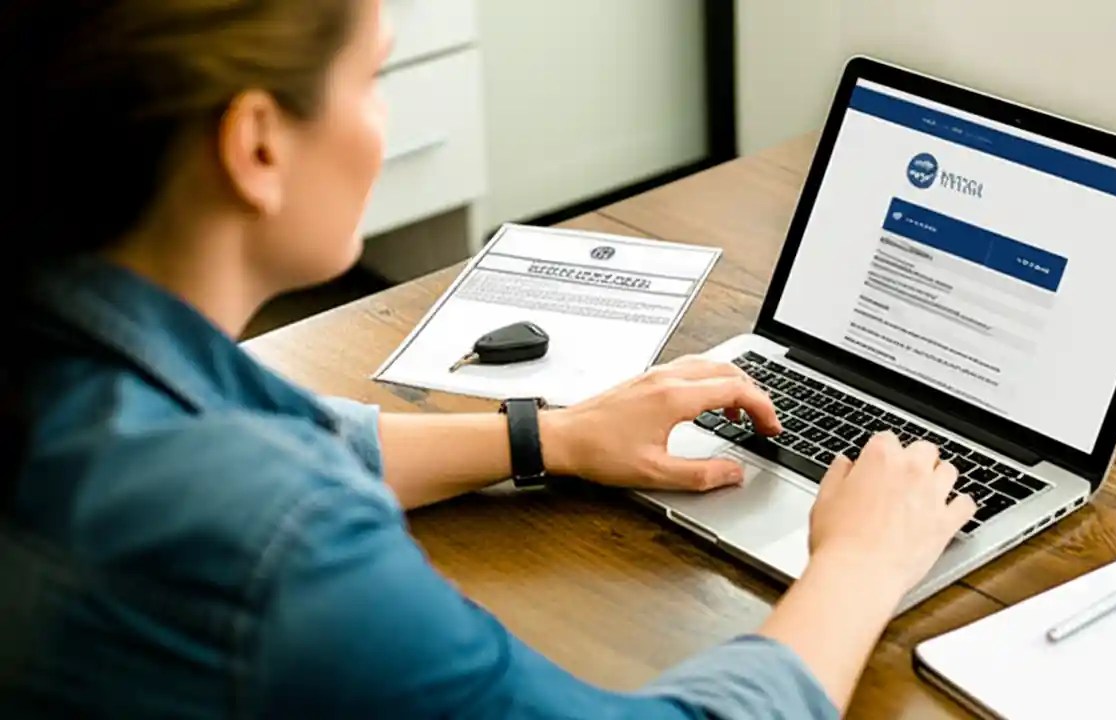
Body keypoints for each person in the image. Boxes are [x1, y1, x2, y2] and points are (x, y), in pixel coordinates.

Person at [0, 1, 976, 718]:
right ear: (256, 143)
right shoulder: (268, 535)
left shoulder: (79, 353)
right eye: (370, 79)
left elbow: (279, 428)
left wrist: (556, 434)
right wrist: (857, 562)